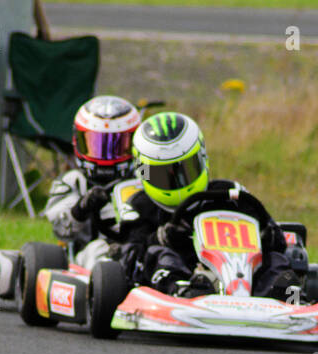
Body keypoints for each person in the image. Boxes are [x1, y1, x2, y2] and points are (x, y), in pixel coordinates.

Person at [114, 111, 298, 299]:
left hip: (242, 271)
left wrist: (268, 236)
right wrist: (161, 238)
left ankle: (285, 297)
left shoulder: (230, 193)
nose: (178, 181)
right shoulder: (140, 206)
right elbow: (129, 260)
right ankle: (182, 292)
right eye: (163, 174)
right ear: (143, 172)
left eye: (186, 169)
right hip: (182, 276)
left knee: (275, 260)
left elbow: (277, 241)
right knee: (159, 254)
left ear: (202, 158)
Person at [42, 95, 142, 268]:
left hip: (137, 248)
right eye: (96, 144)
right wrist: (81, 209)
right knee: (98, 251)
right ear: (78, 142)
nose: (105, 156)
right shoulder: (73, 181)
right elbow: (61, 231)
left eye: (116, 147)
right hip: (88, 258)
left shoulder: (142, 179)